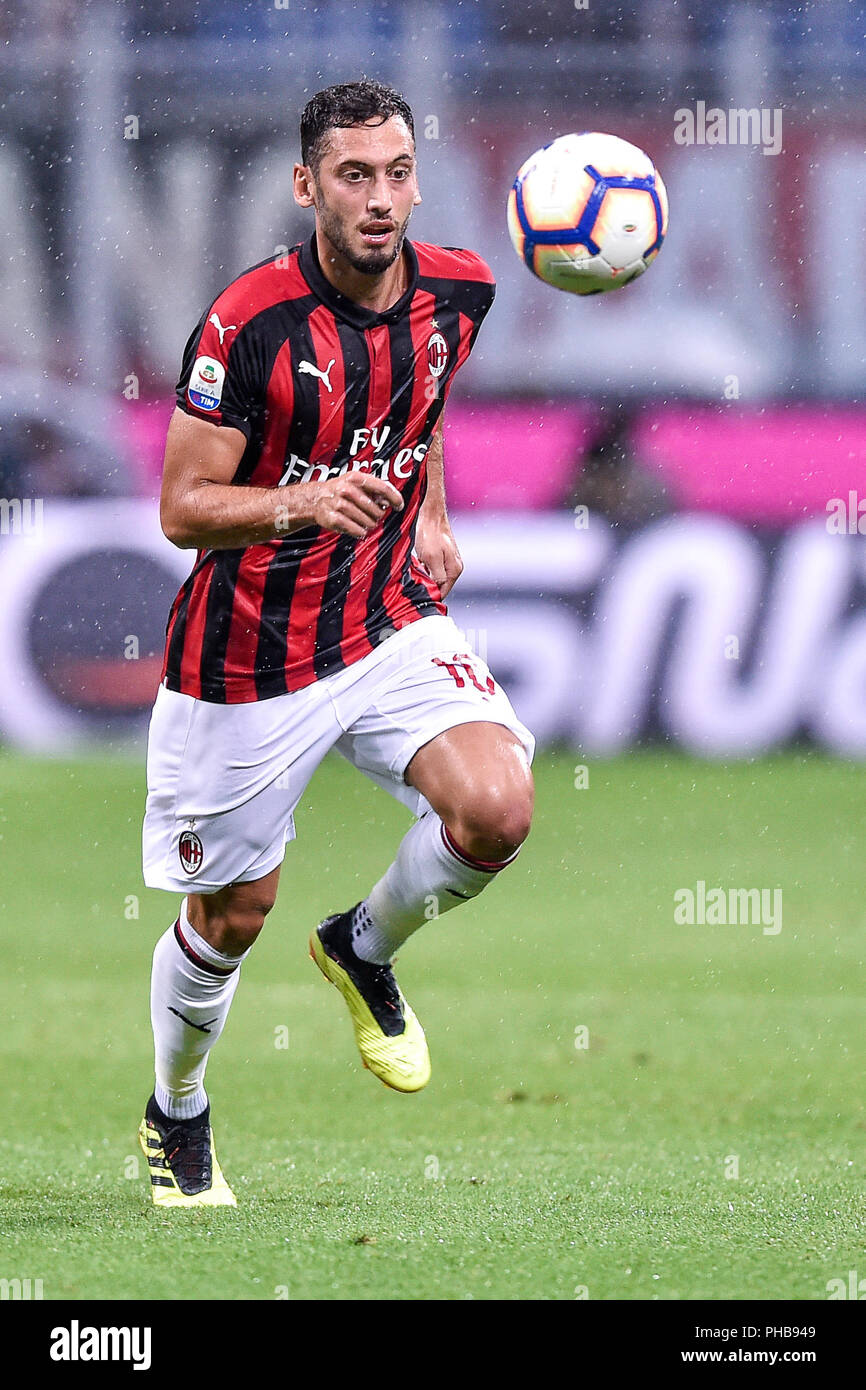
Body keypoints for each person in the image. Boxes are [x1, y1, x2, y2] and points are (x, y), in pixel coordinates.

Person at [139, 79, 535, 1207]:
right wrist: (299, 504)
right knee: (230, 918)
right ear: (306, 184)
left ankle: (362, 945)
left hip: (386, 615)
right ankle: (177, 1111)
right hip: (250, 654)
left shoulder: (461, 287)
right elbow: (180, 509)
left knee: (495, 809)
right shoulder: (246, 321)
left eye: (397, 173)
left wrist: (435, 509)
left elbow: (425, 398)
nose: (379, 198)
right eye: (353, 176)